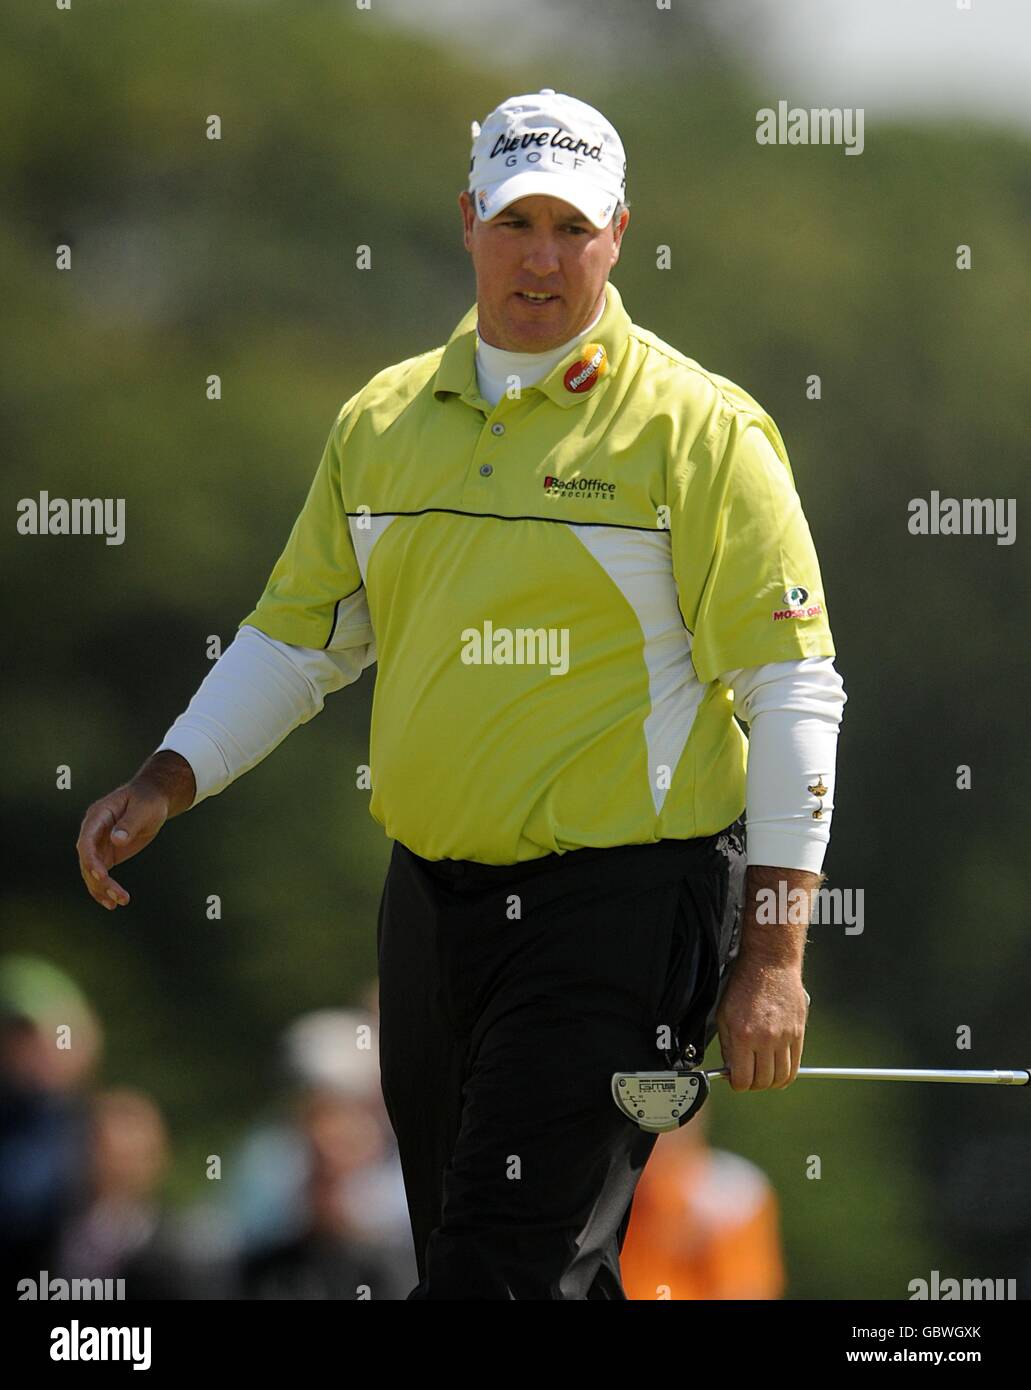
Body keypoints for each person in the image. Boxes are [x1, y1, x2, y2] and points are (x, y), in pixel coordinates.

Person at [75, 90, 846, 1300]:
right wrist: (169, 776)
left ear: (619, 235)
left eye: (571, 227)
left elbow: (793, 689)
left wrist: (773, 958)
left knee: (498, 1275)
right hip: (429, 909)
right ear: (468, 222)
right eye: (516, 220)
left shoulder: (700, 433)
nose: (542, 255)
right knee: (481, 1258)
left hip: (623, 907)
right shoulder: (380, 420)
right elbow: (298, 639)